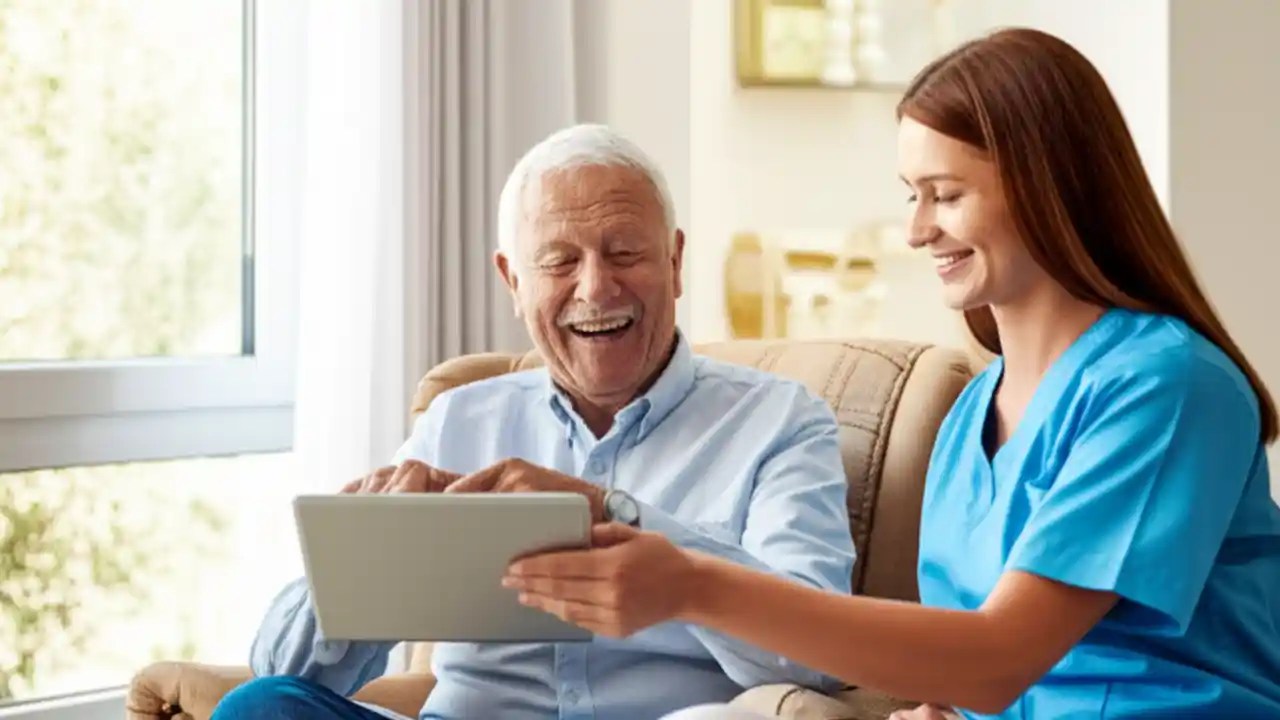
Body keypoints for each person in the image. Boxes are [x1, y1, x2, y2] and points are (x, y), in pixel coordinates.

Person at [502, 28, 1280, 720]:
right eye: (911, 196)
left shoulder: (1168, 388)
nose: (915, 230)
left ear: (1051, 186)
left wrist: (694, 586)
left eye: (944, 196)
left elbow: (1001, 657)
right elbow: (965, 665)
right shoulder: (975, 410)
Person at [210, 124, 857, 720]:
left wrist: (615, 515)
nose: (597, 288)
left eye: (625, 252)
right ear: (512, 281)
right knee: (262, 706)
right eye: (558, 262)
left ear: (675, 262)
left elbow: (821, 653)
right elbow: (288, 672)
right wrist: (360, 560)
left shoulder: (781, 422)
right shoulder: (460, 419)